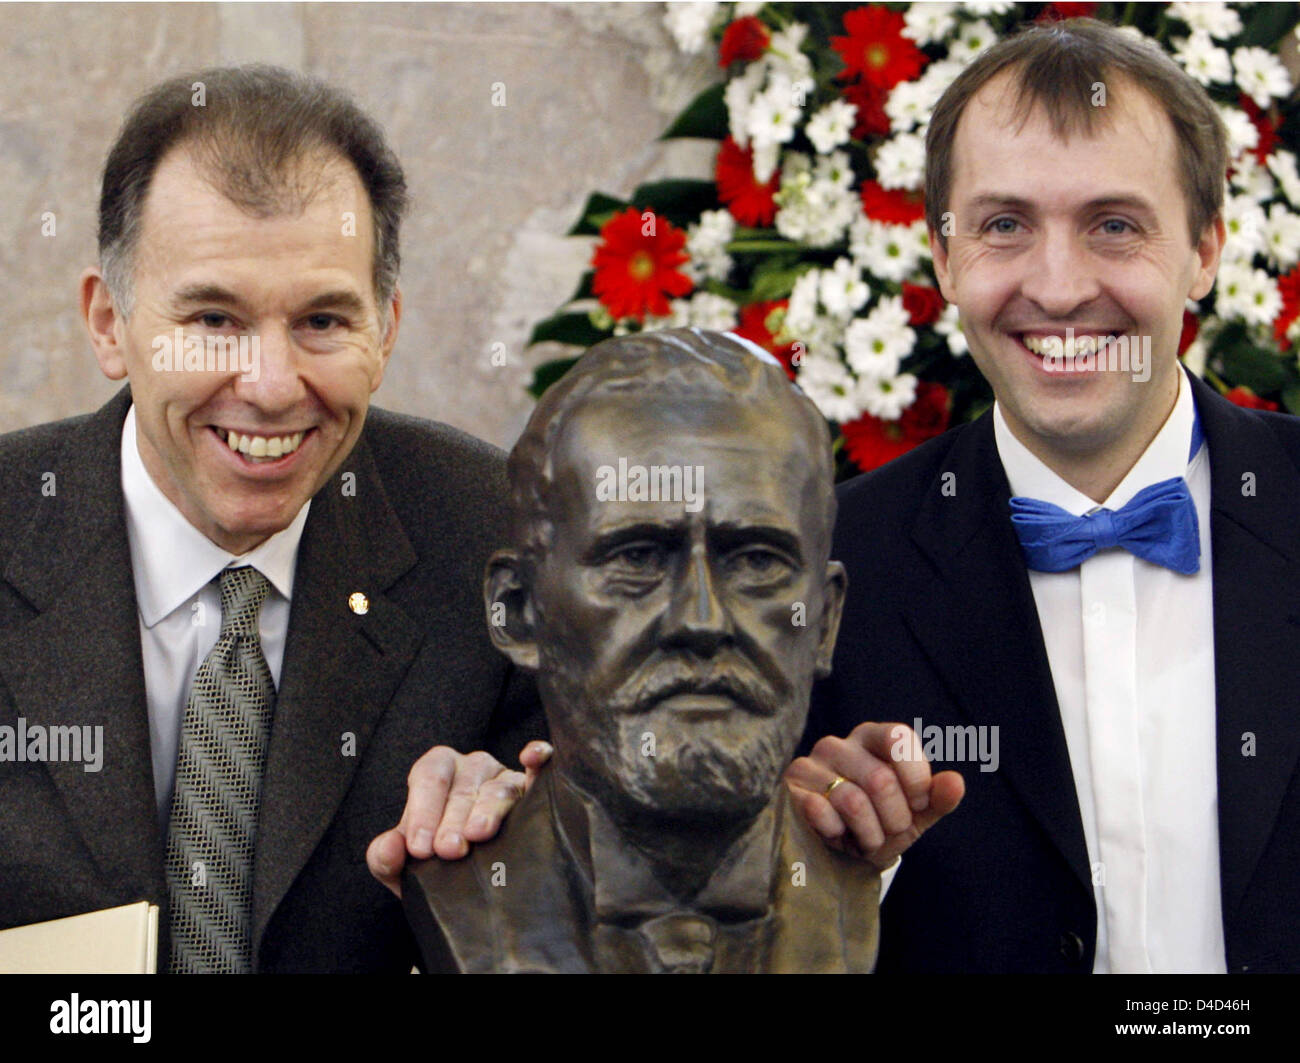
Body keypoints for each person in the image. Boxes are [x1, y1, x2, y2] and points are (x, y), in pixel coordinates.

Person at [0, 64, 547, 973]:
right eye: (214, 318)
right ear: (109, 322)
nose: (269, 385)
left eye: (324, 320)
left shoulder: (496, 537)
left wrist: (524, 838)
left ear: (386, 330)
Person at [797, 18, 1300, 973]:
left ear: (1205, 249)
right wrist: (813, 862)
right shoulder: (819, 562)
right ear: (943, 258)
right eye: (1004, 226)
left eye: (1114, 225)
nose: (1060, 287)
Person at [403, 329, 879, 973]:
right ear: (518, 612)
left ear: (822, 621)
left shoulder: (870, 889)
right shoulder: (457, 892)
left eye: (757, 561)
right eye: (637, 558)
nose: (702, 620)